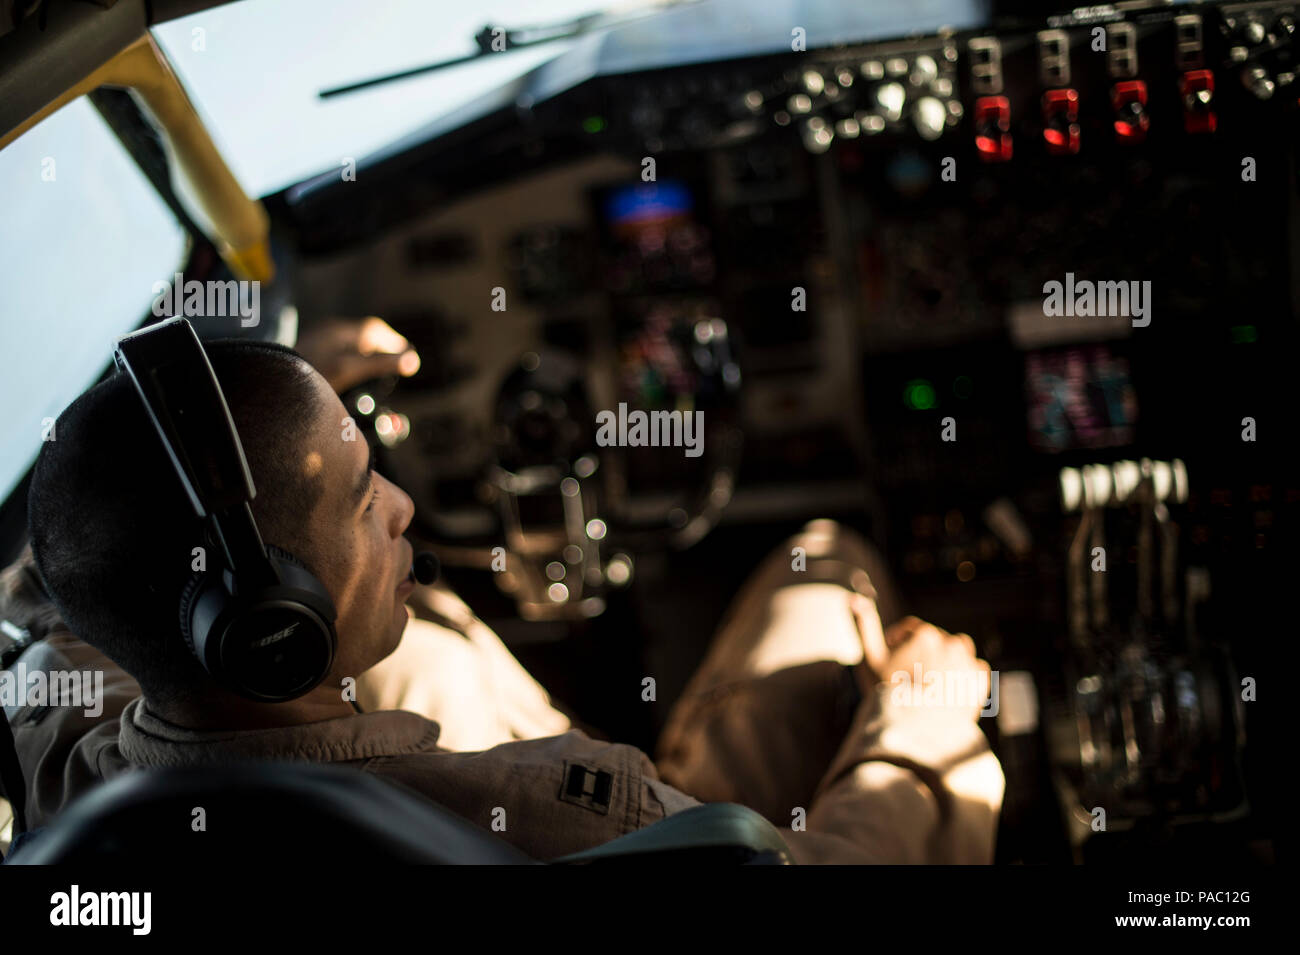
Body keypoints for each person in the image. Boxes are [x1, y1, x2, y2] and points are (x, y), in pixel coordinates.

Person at [6, 328, 1003, 864]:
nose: (402, 504)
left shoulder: (64, 748)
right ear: (270, 619)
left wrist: (291, 391)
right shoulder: (561, 813)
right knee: (827, 558)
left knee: (429, 641)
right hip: (683, 808)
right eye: (360, 499)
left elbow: (76, 565)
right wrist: (920, 725)